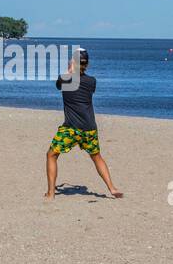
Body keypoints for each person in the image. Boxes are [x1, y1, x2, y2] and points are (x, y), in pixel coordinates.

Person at [45, 48, 122, 200]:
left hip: (71, 129)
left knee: (51, 155)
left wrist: (70, 70)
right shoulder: (92, 82)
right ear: (86, 64)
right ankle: (112, 189)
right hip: (89, 129)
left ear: (73, 63)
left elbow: (59, 86)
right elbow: (81, 85)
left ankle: (51, 193)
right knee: (96, 157)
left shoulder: (65, 79)